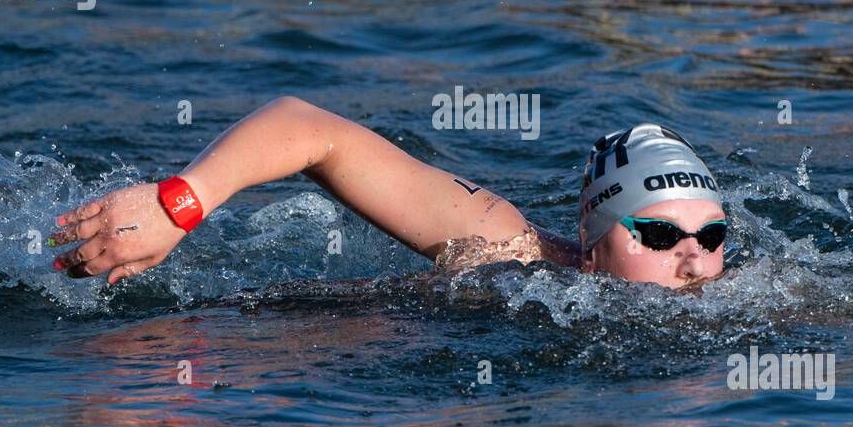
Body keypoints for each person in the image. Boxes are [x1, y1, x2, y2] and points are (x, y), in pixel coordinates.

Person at [49, 96, 727, 290]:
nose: (693, 260)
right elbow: (310, 130)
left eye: (712, 236)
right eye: (660, 235)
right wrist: (178, 204)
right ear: (594, 241)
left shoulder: (771, 300)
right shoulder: (506, 246)